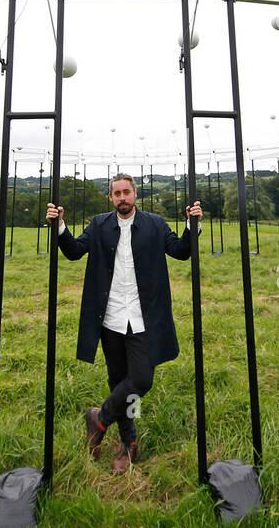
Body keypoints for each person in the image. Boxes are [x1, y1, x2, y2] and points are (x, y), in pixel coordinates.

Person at [46, 174, 202, 474]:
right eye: (116, 193)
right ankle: (128, 444)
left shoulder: (155, 224)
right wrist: (60, 226)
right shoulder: (99, 224)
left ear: (135, 194)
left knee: (141, 380)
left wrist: (192, 224)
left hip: (143, 320)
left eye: (126, 192)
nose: (122, 198)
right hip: (111, 318)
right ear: (111, 197)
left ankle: (99, 418)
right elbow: (74, 252)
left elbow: (181, 252)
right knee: (118, 383)